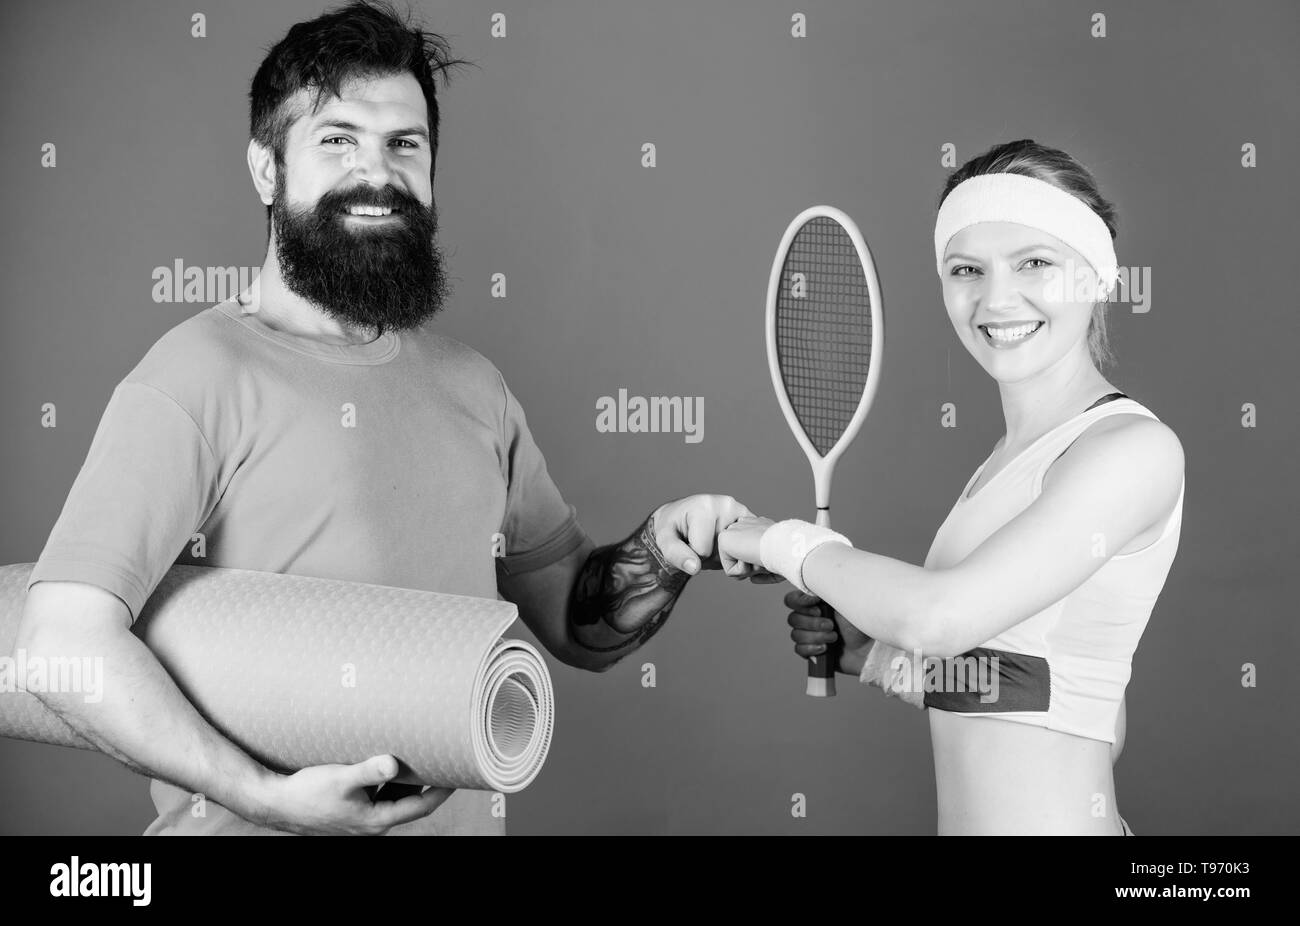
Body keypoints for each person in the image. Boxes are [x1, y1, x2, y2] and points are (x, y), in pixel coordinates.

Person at [15, 0, 764, 836]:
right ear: (266, 168)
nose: (377, 173)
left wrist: (664, 547)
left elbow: (577, 623)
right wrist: (262, 798)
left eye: (404, 144)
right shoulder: (192, 379)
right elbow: (60, 645)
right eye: (337, 140)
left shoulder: (474, 389)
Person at [720, 139, 1184, 836]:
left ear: (1096, 277)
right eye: (967, 269)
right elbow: (1084, 710)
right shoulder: (1005, 463)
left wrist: (775, 539)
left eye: (1034, 262)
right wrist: (878, 659)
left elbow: (938, 618)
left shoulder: (1131, 450)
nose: (996, 298)